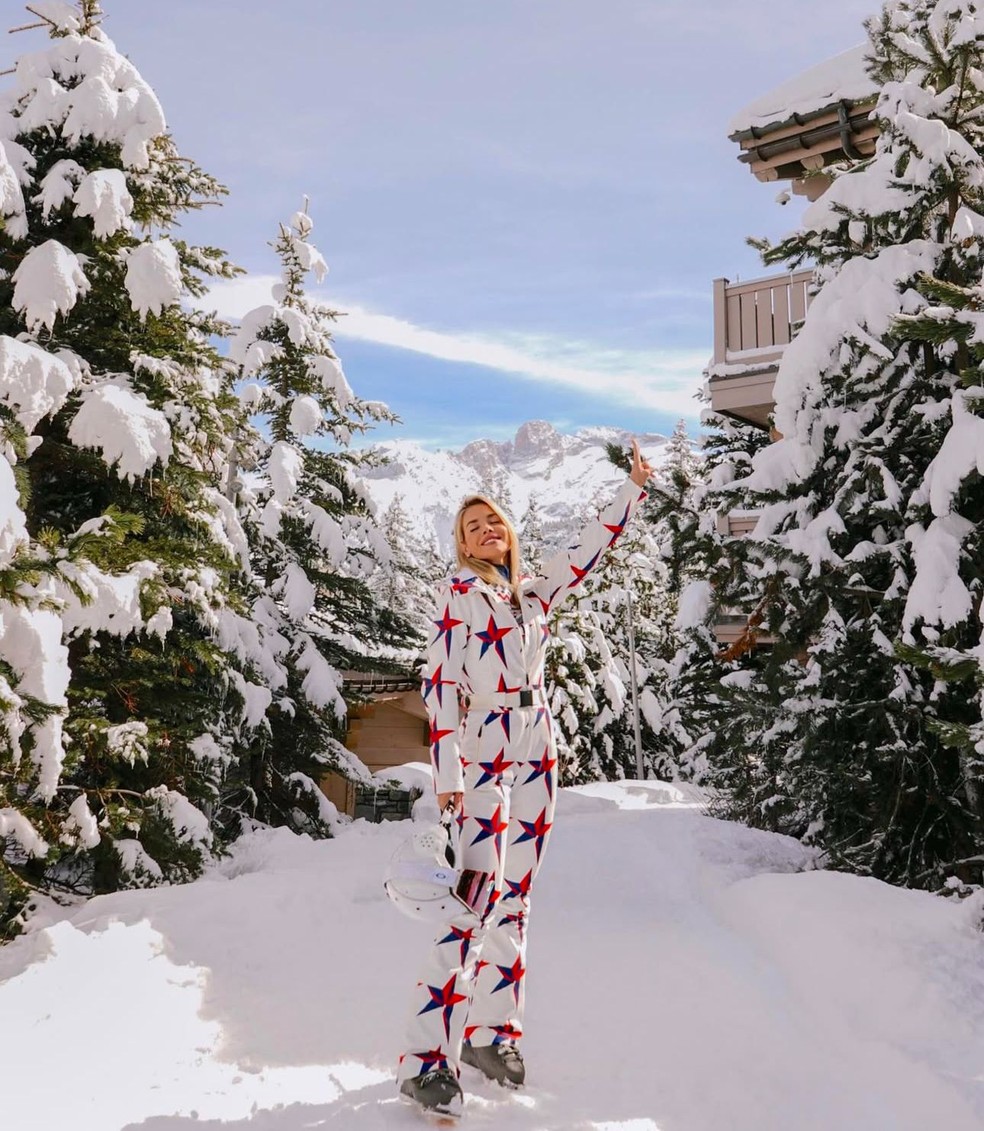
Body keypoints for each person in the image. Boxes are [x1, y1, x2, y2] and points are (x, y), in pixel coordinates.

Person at [397, 439, 653, 1118]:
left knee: (515, 899)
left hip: (538, 755)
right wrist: (447, 772)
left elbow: (588, 549)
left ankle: (489, 1034)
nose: (486, 527)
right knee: (470, 902)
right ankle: (425, 1060)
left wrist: (631, 490)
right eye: (470, 524)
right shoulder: (458, 596)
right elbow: (440, 683)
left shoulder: (533, 592)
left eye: (494, 519)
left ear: (508, 533)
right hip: (481, 761)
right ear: (461, 545)